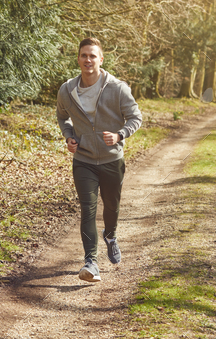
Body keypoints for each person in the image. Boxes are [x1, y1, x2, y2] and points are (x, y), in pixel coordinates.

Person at [56, 38, 142, 282]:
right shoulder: (67, 90)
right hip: (83, 159)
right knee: (88, 208)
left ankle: (111, 235)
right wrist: (69, 136)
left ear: (101, 59)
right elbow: (63, 117)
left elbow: (136, 117)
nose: (88, 60)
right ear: (78, 59)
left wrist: (119, 134)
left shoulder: (117, 88)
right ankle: (91, 262)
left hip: (112, 159)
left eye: (93, 56)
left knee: (111, 207)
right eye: (84, 55)